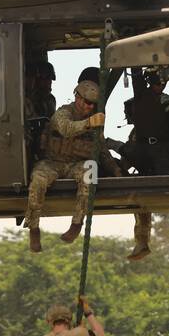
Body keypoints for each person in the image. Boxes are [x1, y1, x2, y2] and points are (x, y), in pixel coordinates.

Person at [25, 80, 105, 253]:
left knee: (91, 171)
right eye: (87, 102)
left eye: (93, 104)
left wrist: (116, 170)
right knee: (38, 180)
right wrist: (89, 123)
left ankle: (77, 224)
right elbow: (67, 129)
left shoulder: (94, 121)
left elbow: (101, 148)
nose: (89, 107)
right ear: (77, 97)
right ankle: (34, 228)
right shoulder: (63, 113)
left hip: (76, 164)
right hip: (53, 162)